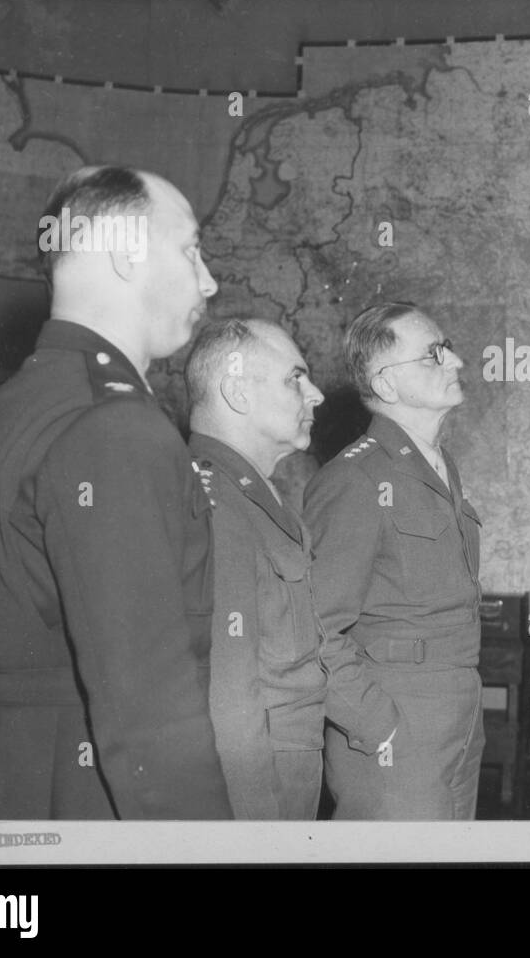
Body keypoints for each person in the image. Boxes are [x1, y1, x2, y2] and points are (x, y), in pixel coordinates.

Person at [0, 165, 231, 819]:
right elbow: (150, 720)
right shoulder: (117, 426)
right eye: (189, 250)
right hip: (92, 804)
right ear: (125, 253)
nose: (207, 280)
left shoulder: (9, 407)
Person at [303, 303, 484, 819]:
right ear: (386, 385)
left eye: (446, 348)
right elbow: (314, 627)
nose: (455, 361)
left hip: (459, 717)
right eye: (433, 355)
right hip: (397, 725)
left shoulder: (440, 467)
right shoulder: (354, 480)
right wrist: (376, 725)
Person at [184, 318, 328, 819]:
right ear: (238, 392)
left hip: (289, 762)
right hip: (259, 781)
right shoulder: (215, 501)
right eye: (296, 377)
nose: (316, 395)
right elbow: (228, 694)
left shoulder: (252, 494)